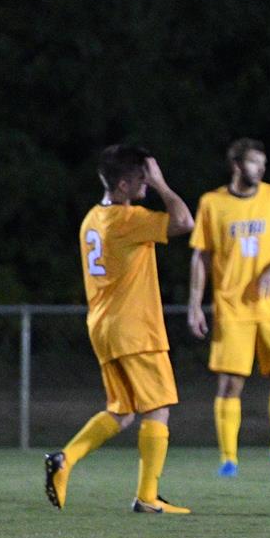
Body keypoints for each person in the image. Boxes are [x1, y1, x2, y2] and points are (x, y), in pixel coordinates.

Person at [43, 146, 196, 514]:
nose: (146, 184)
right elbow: (184, 223)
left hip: (104, 326)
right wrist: (162, 184)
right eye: (142, 180)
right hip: (134, 328)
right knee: (158, 408)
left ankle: (65, 459)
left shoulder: (93, 219)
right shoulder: (127, 220)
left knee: (123, 411)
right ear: (124, 184)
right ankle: (147, 497)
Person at [188, 138, 270, 478]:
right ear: (237, 166)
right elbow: (200, 255)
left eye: (263, 163)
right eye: (255, 162)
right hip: (231, 307)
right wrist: (195, 304)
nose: (261, 169)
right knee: (229, 384)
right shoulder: (212, 203)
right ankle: (228, 460)